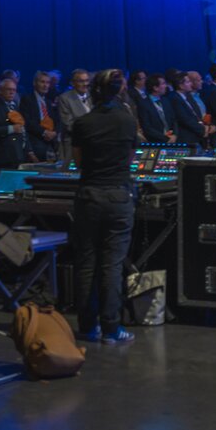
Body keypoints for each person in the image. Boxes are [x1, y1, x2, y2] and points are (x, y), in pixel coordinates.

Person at [70, 70, 141, 344]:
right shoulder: (127, 121)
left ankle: (87, 327)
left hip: (89, 197)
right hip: (118, 197)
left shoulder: (83, 123)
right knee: (111, 265)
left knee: (86, 263)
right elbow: (130, 160)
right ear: (120, 90)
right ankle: (112, 329)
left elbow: (78, 163)